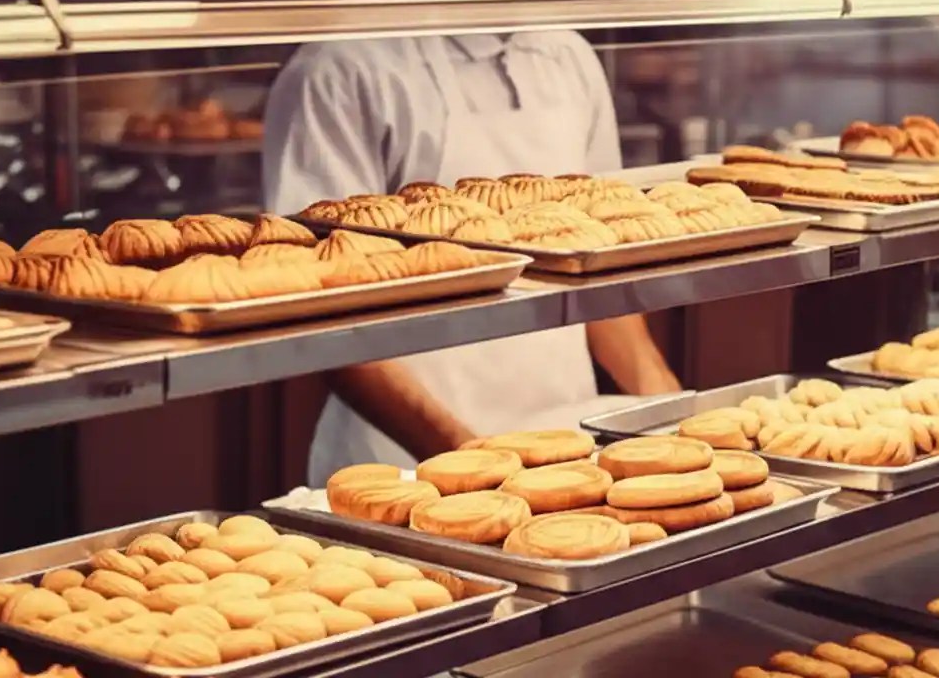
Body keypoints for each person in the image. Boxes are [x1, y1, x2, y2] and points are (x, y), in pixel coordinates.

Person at [263, 32, 681, 484]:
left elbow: (599, 263)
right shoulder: (342, 68)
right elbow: (328, 302)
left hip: (565, 442)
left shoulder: (567, 55)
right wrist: (475, 466)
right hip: (406, 468)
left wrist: (675, 422)